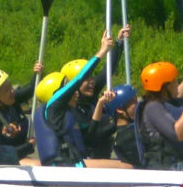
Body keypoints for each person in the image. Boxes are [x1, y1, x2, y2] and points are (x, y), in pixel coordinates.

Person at [35, 28, 133, 169]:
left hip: (79, 159)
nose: (91, 81)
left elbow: (108, 70)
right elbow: (79, 79)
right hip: (67, 164)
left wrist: (119, 43)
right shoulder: (55, 107)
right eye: (68, 87)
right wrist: (102, 51)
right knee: (126, 167)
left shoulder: (71, 107)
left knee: (125, 165)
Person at [0, 62, 43, 163]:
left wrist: (37, 73)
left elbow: (31, 88)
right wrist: (27, 146)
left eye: (11, 87)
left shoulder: (10, 100)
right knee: (38, 166)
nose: (12, 91)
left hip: (16, 155)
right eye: (6, 90)